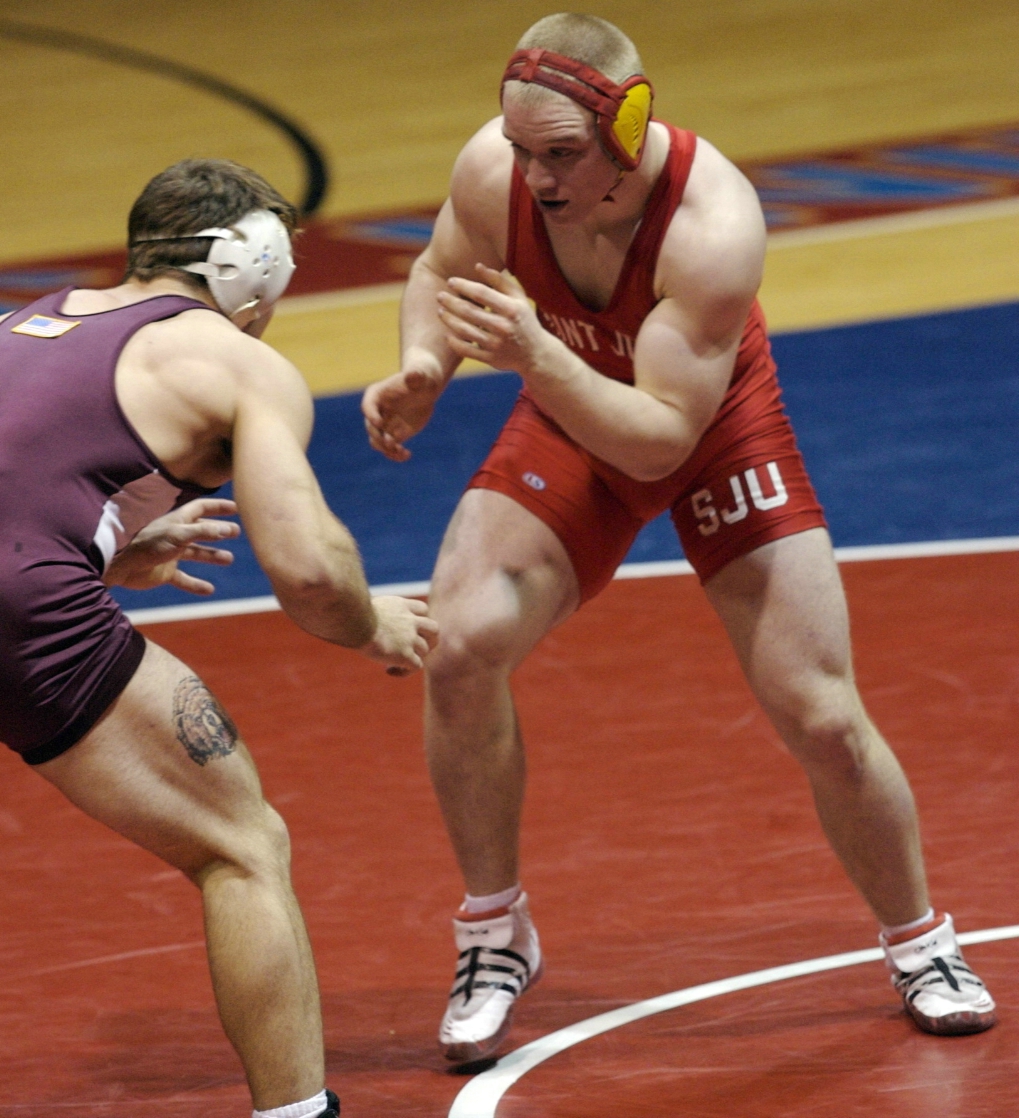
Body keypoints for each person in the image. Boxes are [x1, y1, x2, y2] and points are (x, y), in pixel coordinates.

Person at [362, 13, 996, 1063]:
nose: (536, 179)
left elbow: (659, 442)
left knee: (820, 714)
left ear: (627, 124)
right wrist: (424, 367)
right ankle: (493, 932)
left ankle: (918, 939)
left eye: (559, 154)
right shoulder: (495, 171)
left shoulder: (713, 222)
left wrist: (534, 354)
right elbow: (440, 267)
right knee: (460, 648)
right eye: (521, 150)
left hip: (703, 428)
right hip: (571, 408)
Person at [1, 159, 438, 1116]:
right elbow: (310, 571)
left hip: (26, 587)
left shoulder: (25, 323)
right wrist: (371, 624)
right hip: (25, 611)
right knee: (241, 845)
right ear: (254, 271)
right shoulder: (237, 364)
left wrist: (105, 549)